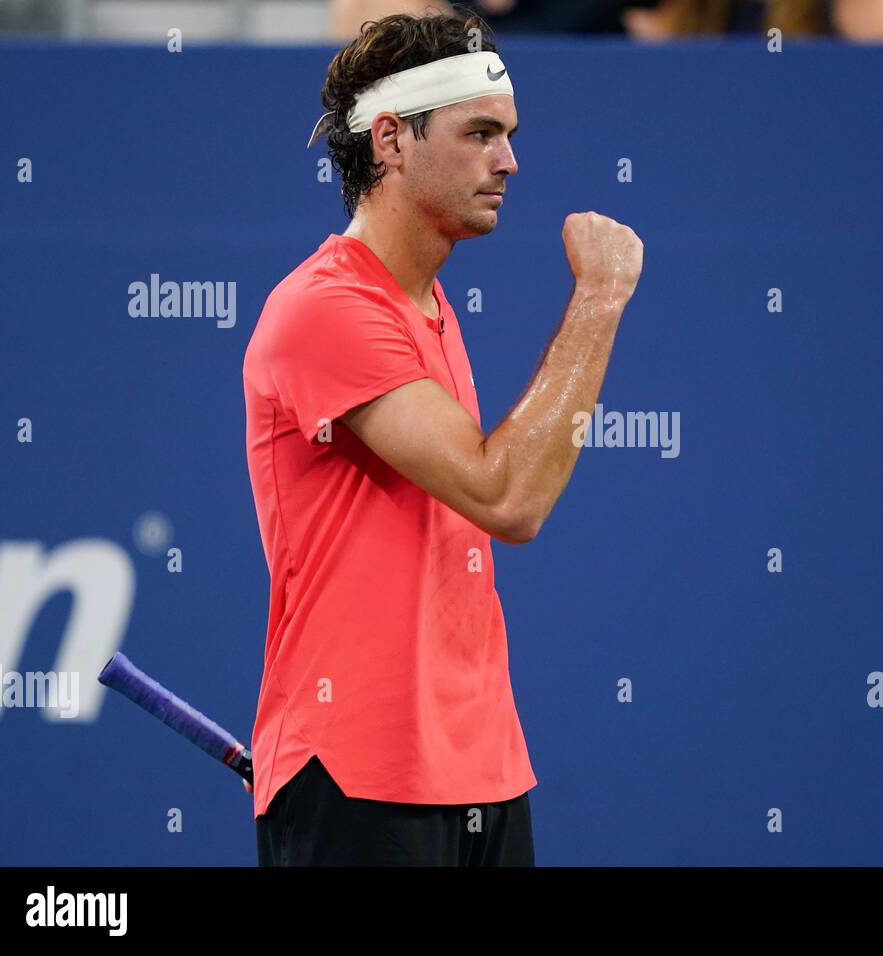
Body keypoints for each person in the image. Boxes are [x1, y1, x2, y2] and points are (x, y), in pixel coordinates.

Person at [241, 4, 643, 865]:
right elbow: (509, 497)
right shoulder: (325, 308)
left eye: (509, 134)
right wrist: (601, 297)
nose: (510, 160)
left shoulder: (425, 306)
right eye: (481, 133)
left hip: (482, 774)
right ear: (390, 141)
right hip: (359, 775)